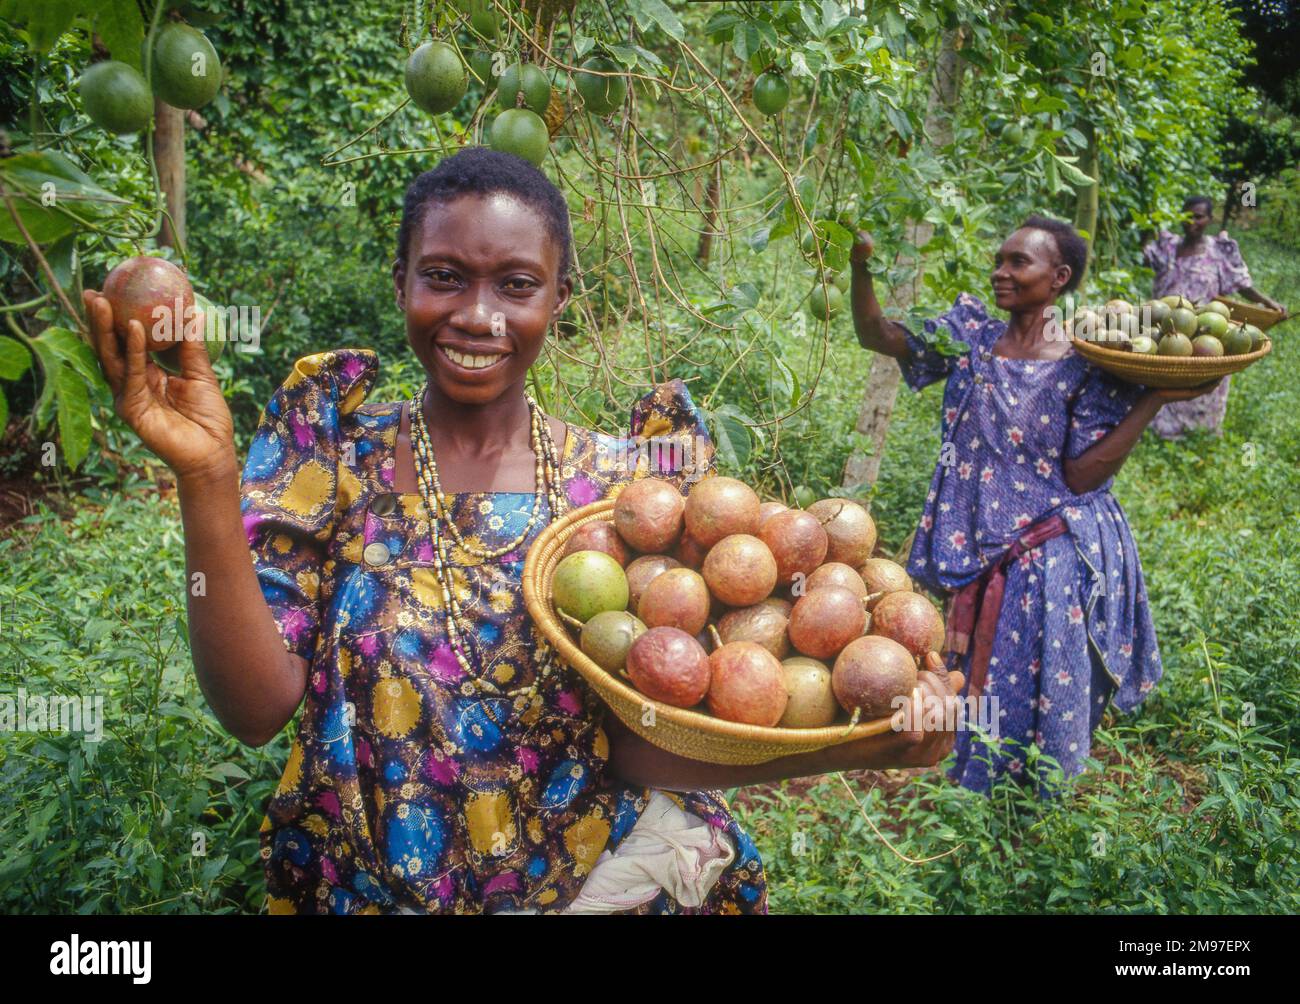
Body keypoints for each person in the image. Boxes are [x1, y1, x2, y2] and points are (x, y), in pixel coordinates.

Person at [83, 146, 964, 914]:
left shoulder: (626, 489)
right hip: (368, 891)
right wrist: (204, 477)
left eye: (515, 284)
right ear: (400, 283)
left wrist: (871, 742)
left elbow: (639, 745)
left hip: (585, 888)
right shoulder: (335, 459)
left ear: (559, 297)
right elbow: (254, 710)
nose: (477, 314)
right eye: (443, 276)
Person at [848, 215, 1223, 795]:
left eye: (1018, 262)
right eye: (1000, 259)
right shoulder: (970, 333)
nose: (1001, 271)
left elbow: (1080, 475)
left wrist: (1151, 403)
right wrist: (859, 265)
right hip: (978, 549)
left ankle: (1028, 817)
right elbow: (877, 335)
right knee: (975, 679)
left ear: (1059, 278)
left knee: (1033, 687)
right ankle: (971, 802)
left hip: (1046, 550)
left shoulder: (1084, 362)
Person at [1142, 195, 1287, 440]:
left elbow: (1242, 285)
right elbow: (1143, 254)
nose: (1192, 222)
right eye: (1187, 216)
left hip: (1207, 332)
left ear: (1209, 219)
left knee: (1204, 382)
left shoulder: (1218, 251)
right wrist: (1147, 218)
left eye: (1199, 216)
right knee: (1167, 377)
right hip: (1170, 331)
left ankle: (1201, 435)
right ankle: (1161, 432)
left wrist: (1269, 304)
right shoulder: (1167, 246)